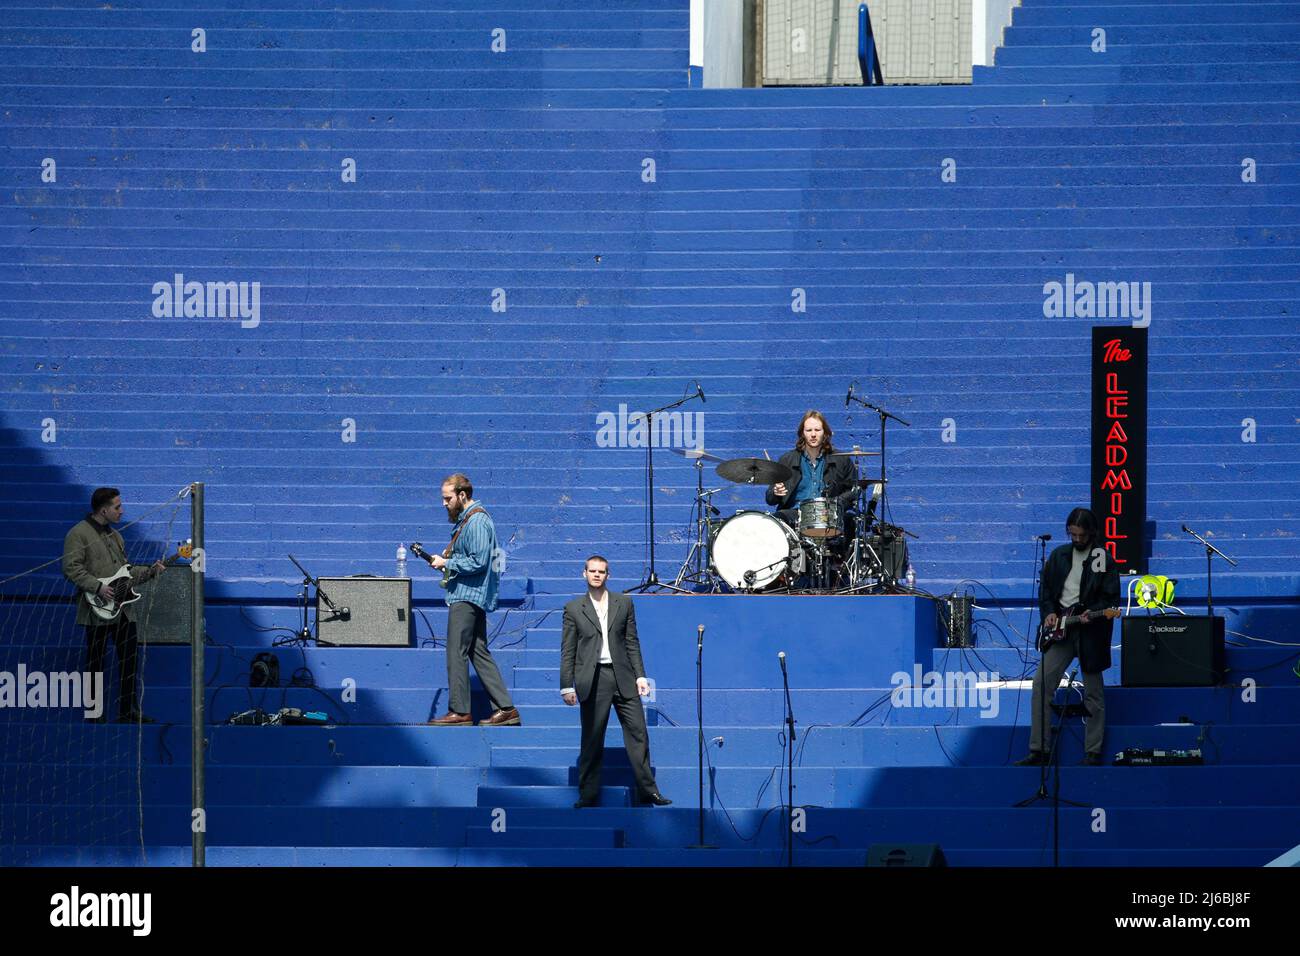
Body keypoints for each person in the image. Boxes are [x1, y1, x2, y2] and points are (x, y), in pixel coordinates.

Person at [560, 556, 670, 808]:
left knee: (638, 733)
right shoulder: (573, 608)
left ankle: (647, 792)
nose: (597, 575)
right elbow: (568, 649)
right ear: (584, 573)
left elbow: (632, 641)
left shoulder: (624, 603)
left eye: (601, 571)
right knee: (592, 738)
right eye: (592, 571)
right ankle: (588, 794)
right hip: (593, 677)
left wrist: (641, 675)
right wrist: (567, 684)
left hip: (623, 676)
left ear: (608, 575)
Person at [1015, 508, 1120, 767]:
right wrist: (1049, 613)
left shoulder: (1102, 558)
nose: (1076, 539)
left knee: (1093, 692)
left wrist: (1092, 613)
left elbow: (1110, 599)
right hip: (1061, 629)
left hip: (1090, 632)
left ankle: (1092, 751)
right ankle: (1039, 749)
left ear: (1091, 533)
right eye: (1072, 534)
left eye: (1081, 535)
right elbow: (1047, 590)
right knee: (1041, 684)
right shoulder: (1059, 555)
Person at [61, 487, 166, 723]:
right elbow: (70, 568)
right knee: (95, 660)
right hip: (95, 609)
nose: (121, 511)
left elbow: (125, 573)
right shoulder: (78, 534)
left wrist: (150, 572)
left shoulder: (116, 536)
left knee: (129, 659)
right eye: (117, 507)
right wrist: (97, 587)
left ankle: (127, 710)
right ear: (103, 509)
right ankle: (94, 711)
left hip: (123, 611)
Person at [425, 473, 520, 727]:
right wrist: (447, 561)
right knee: (478, 651)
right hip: (471, 594)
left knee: (456, 651)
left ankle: (459, 711)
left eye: (447, 498)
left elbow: (478, 562)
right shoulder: (470, 520)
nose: (444, 503)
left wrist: (446, 562)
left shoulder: (476, 522)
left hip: (467, 596)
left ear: (462, 495)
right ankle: (505, 708)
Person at [765, 410, 861, 532]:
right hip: (796, 513)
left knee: (851, 521)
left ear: (825, 433)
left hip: (829, 514)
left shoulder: (841, 459)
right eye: (809, 430)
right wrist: (775, 492)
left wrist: (837, 503)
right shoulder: (787, 460)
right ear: (802, 433)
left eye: (817, 430)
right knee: (775, 521)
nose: (813, 434)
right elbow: (770, 499)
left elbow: (854, 489)